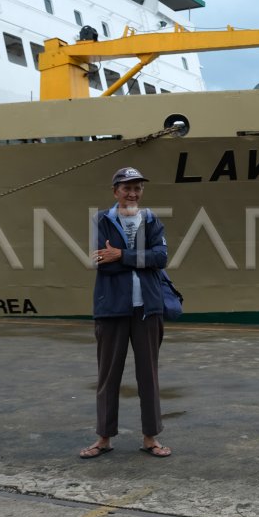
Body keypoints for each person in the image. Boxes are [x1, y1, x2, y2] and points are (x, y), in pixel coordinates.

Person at [80, 166, 173, 459]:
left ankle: (150, 438)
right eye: (127, 188)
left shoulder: (151, 219)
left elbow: (161, 257)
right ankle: (103, 438)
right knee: (108, 375)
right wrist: (138, 260)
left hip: (147, 307)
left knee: (149, 374)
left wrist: (121, 254)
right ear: (115, 191)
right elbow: (100, 261)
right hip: (111, 308)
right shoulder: (102, 221)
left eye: (137, 188)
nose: (132, 193)